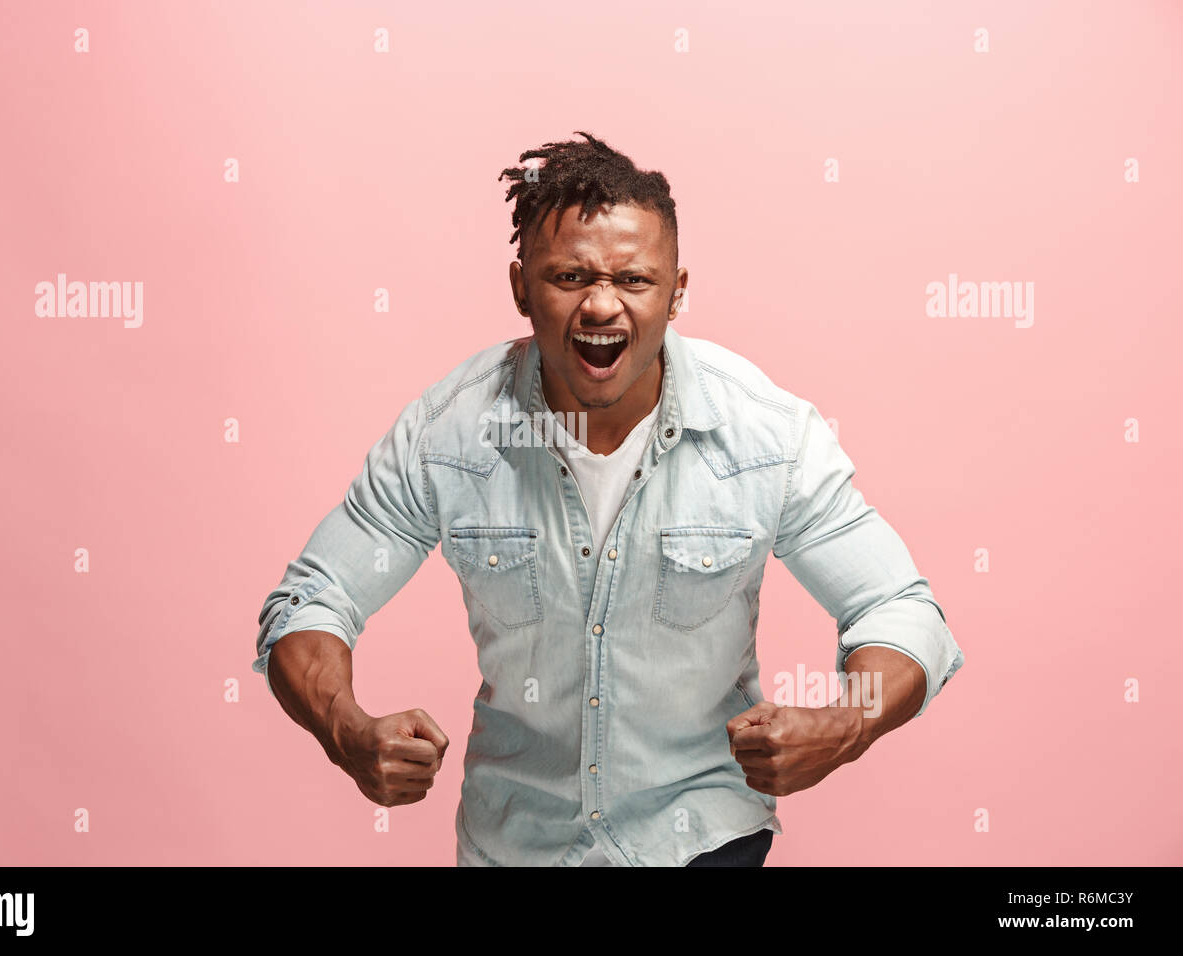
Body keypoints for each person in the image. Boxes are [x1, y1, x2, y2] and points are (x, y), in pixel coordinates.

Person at [253, 131, 964, 867]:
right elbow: (311, 601)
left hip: (703, 838)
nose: (601, 305)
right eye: (569, 277)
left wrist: (845, 725)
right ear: (520, 285)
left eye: (633, 279)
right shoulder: (449, 435)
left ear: (677, 291)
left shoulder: (765, 435)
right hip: (516, 844)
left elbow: (901, 610)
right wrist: (346, 730)